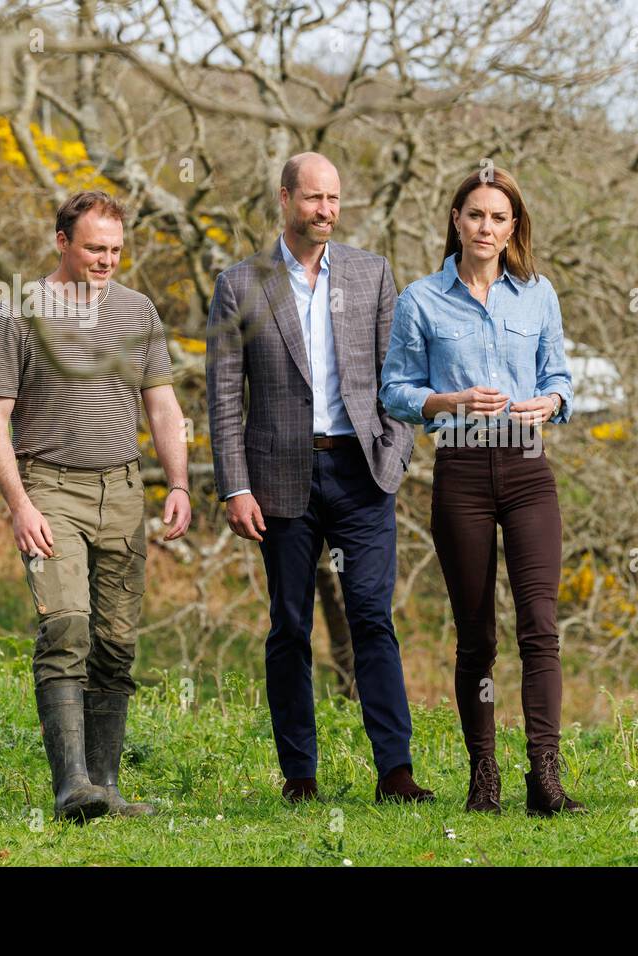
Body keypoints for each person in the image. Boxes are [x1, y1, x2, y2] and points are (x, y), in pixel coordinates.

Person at [206, 152, 431, 804]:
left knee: (371, 618)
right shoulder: (238, 284)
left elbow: (402, 378)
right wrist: (234, 485)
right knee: (290, 626)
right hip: (279, 477)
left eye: (333, 198)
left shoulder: (371, 274)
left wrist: (395, 456)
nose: (325, 210)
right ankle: (299, 777)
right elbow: (223, 397)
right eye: (312, 199)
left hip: (363, 475)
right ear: (284, 199)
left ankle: (396, 772)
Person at [0, 190, 192, 821]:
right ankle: (71, 785)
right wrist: (19, 503)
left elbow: (162, 404)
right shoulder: (18, 310)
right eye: (95, 248)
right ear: (62, 242)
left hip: (123, 490)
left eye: (116, 250)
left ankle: (106, 787)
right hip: (50, 487)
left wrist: (177, 483)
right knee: (66, 625)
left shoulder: (137, 310)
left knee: (118, 643)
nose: (106, 260)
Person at [380, 168, 583, 816]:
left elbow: (561, 376)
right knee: (476, 637)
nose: (486, 228)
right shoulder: (421, 300)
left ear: (513, 226)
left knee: (540, 629)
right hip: (461, 469)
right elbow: (395, 392)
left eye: (499, 217)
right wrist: (451, 399)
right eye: (476, 215)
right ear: (456, 220)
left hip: (528, 469)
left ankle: (545, 779)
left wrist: (550, 402)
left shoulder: (538, 294)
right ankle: (484, 776)